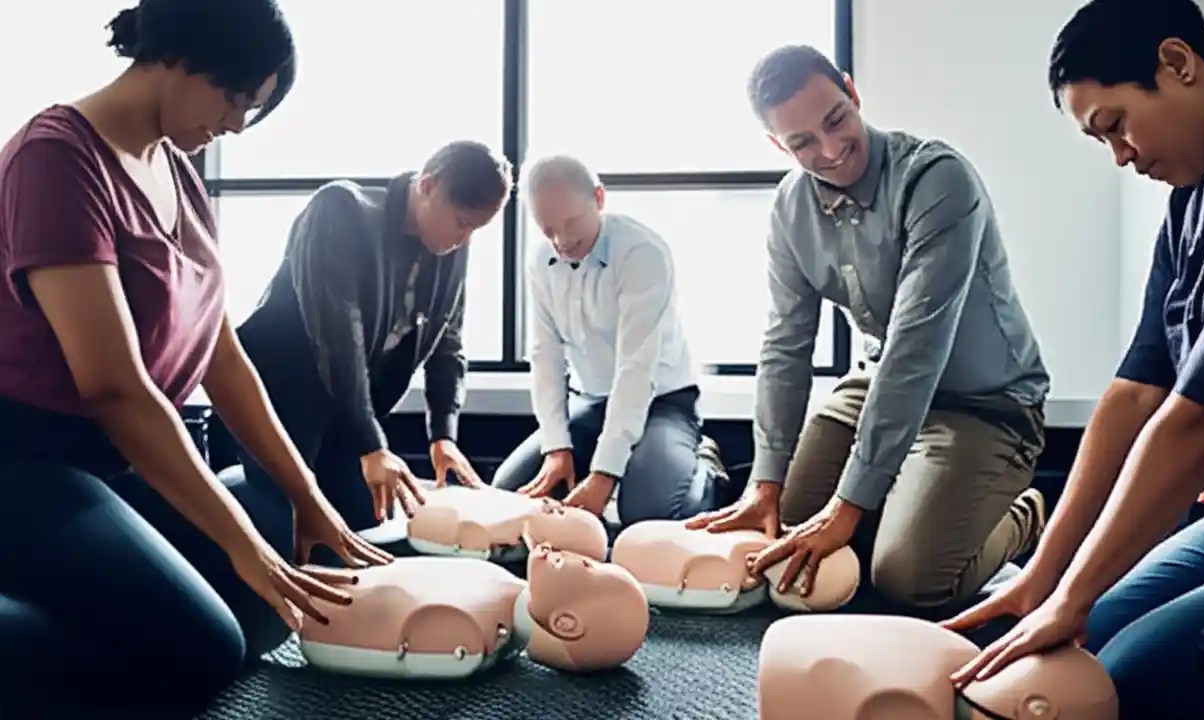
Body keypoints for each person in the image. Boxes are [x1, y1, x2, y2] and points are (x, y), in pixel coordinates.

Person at [0, 0, 392, 710]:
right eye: (235, 97)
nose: (238, 124)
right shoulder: (54, 157)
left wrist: (308, 498)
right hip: (30, 463)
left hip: (122, 464)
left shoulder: (177, 171)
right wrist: (244, 547)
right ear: (178, 57)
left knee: (278, 590)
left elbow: (221, 351)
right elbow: (115, 387)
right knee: (201, 645)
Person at [945, 1, 1204, 717]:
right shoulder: (1194, 198)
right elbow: (1134, 393)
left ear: (1178, 64)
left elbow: (1197, 423)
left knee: (1132, 669)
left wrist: (1072, 593)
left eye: (1115, 125)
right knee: (1084, 637)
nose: (1121, 156)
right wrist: (1045, 576)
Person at [687, 45, 1050, 612]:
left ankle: (1022, 515)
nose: (830, 150)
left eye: (836, 120)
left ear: (852, 93)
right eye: (803, 143)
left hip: (983, 404)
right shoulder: (790, 208)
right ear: (779, 146)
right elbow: (785, 347)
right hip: (876, 387)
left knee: (908, 578)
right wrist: (765, 483)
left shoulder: (938, 178)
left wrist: (848, 505)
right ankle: (903, 504)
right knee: (789, 531)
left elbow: (915, 348)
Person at [235, 140, 512, 537]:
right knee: (293, 531)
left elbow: (448, 340)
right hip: (280, 400)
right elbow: (338, 338)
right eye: (461, 222)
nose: (464, 238)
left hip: (348, 413)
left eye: (475, 229)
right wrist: (371, 444)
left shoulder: (450, 247)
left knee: (369, 523)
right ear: (428, 185)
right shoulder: (340, 210)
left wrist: (443, 435)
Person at [491, 155, 725, 526]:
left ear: (599, 198)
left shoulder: (641, 252)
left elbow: (636, 369)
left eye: (571, 223)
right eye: (548, 229)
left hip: (663, 400)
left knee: (649, 513)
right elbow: (545, 356)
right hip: (593, 402)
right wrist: (556, 447)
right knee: (509, 493)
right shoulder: (540, 261)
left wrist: (603, 475)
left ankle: (705, 464)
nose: (562, 241)